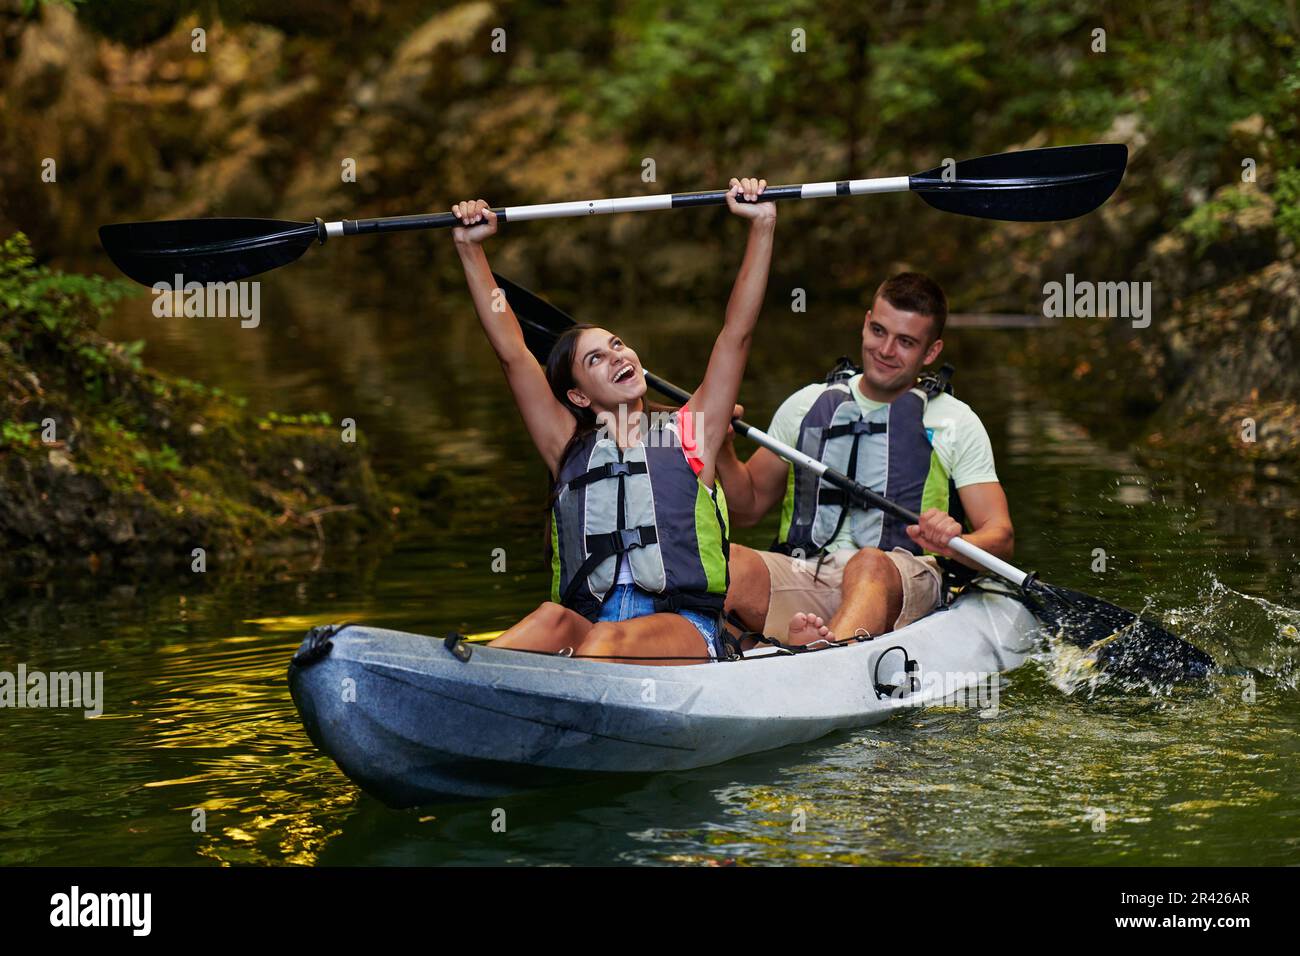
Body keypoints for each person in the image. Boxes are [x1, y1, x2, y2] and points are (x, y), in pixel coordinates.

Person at [449, 177, 776, 664]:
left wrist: (762, 227)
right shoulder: (566, 445)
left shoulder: (694, 431)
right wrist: (470, 251)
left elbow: (736, 334)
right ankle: (463, 684)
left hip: (683, 627)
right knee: (548, 620)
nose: (617, 356)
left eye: (617, 345)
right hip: (592, 626)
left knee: (603, 643)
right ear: (577, 394)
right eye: (596, 359)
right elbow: (514, 355)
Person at [716, 272, 1014, 645]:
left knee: (868, 562)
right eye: (878, 331)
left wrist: (954, 539)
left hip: (902, 573)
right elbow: (748, 508)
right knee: (727, 561)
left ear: (932, 352)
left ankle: (819, 664)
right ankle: (736, 654)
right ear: (865, 323)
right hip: (807, 569)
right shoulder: (806, 404)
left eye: (905, 342)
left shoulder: (956, 421)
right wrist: (725, 449)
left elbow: (1000, 536)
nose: (886, 351)